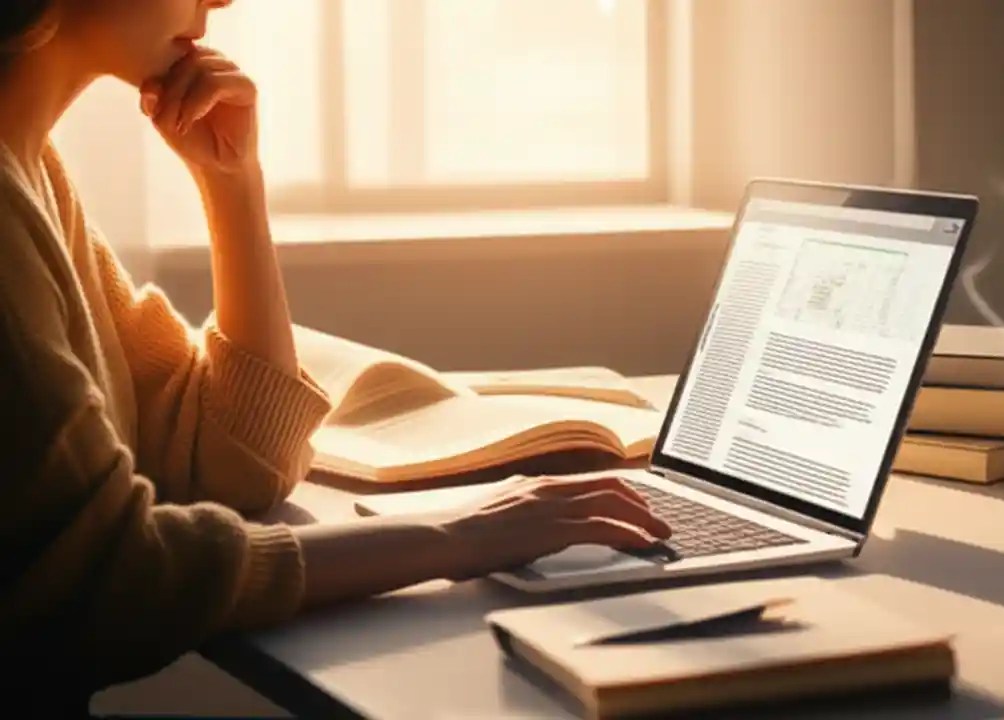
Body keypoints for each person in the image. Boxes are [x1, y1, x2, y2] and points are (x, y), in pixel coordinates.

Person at [0, 0, 672, 714]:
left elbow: (239, 461)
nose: (223, 0)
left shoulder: (33, 168)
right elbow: (110, 579)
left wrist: (232, 185)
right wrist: (460, 535)